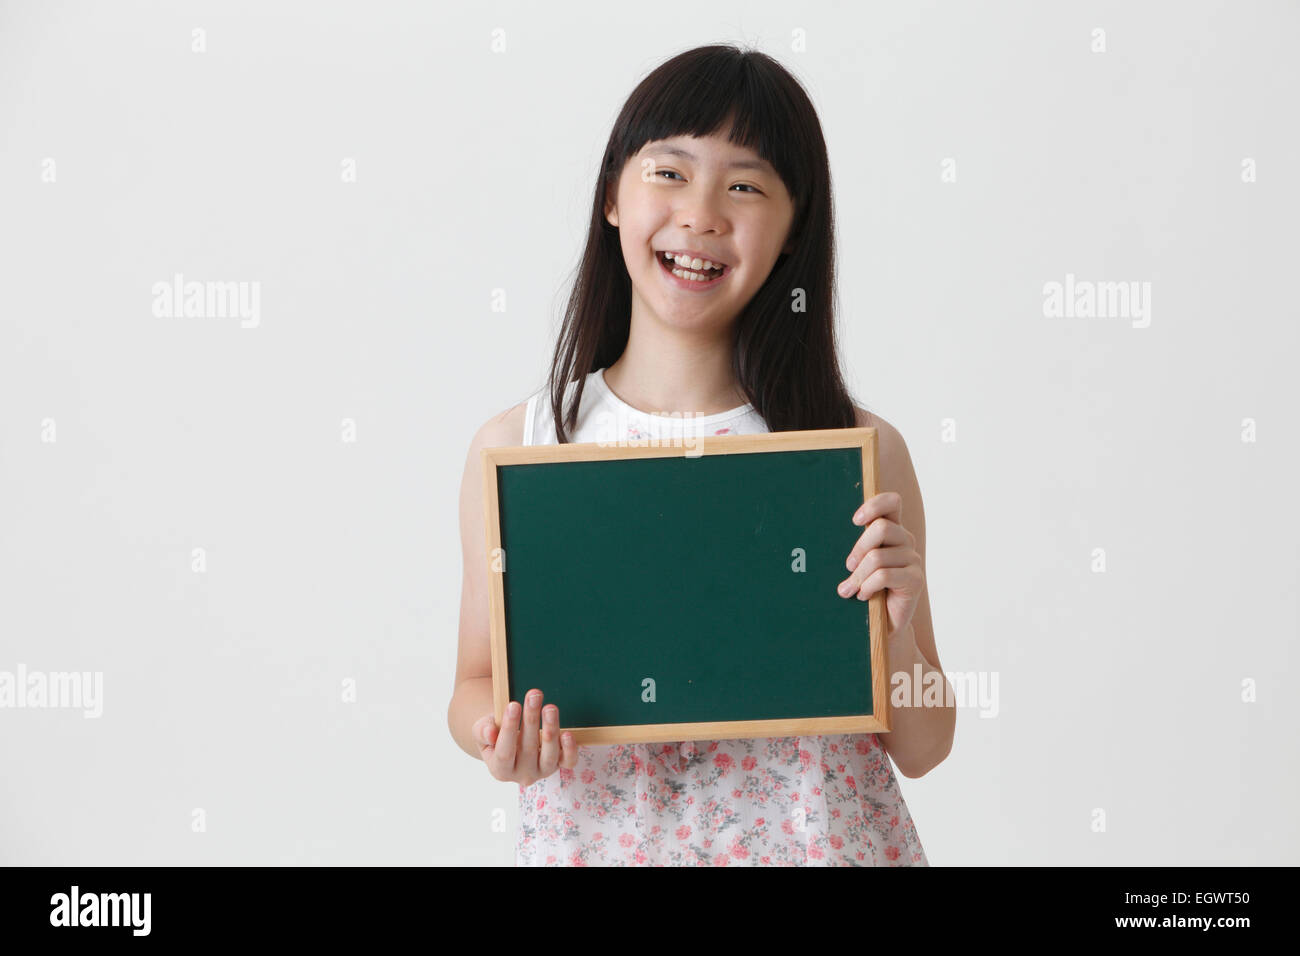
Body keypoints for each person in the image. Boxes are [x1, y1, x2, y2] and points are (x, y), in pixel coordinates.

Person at [448, 44, 955, 866]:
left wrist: (895, 629)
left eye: (746, 186)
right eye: (670, 172)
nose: (701, 215)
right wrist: (495, 735)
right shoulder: (523, 446)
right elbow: (475, 678)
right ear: (613, 194)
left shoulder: (852, 452)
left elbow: (928, 743)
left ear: (795, 230)